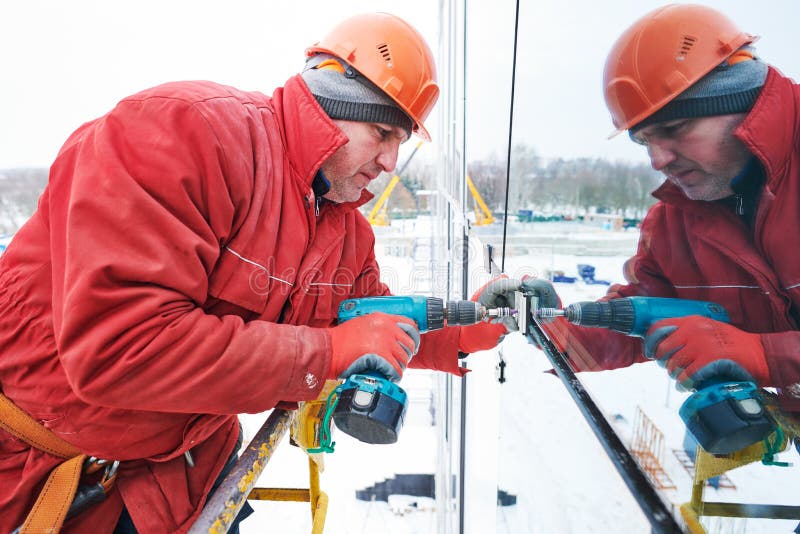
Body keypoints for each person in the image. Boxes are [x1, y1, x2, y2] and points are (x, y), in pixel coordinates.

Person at [0, 13, 511, 533]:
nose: (390, 162)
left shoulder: (343, 226)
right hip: (38, 475)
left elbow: (366, 322)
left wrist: (466, 330)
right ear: (334, 103)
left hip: (181, 479)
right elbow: (120, 348)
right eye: (382, 133)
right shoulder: (186, 135)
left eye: (401, 141)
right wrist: (327, 353)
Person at [488, 4, 800, 409]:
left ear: (740, 99)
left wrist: (766, 356)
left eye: (674, 129)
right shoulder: (675, 223)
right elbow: (638, 321)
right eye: (644, 141)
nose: (657, 160)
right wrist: (552, 324)